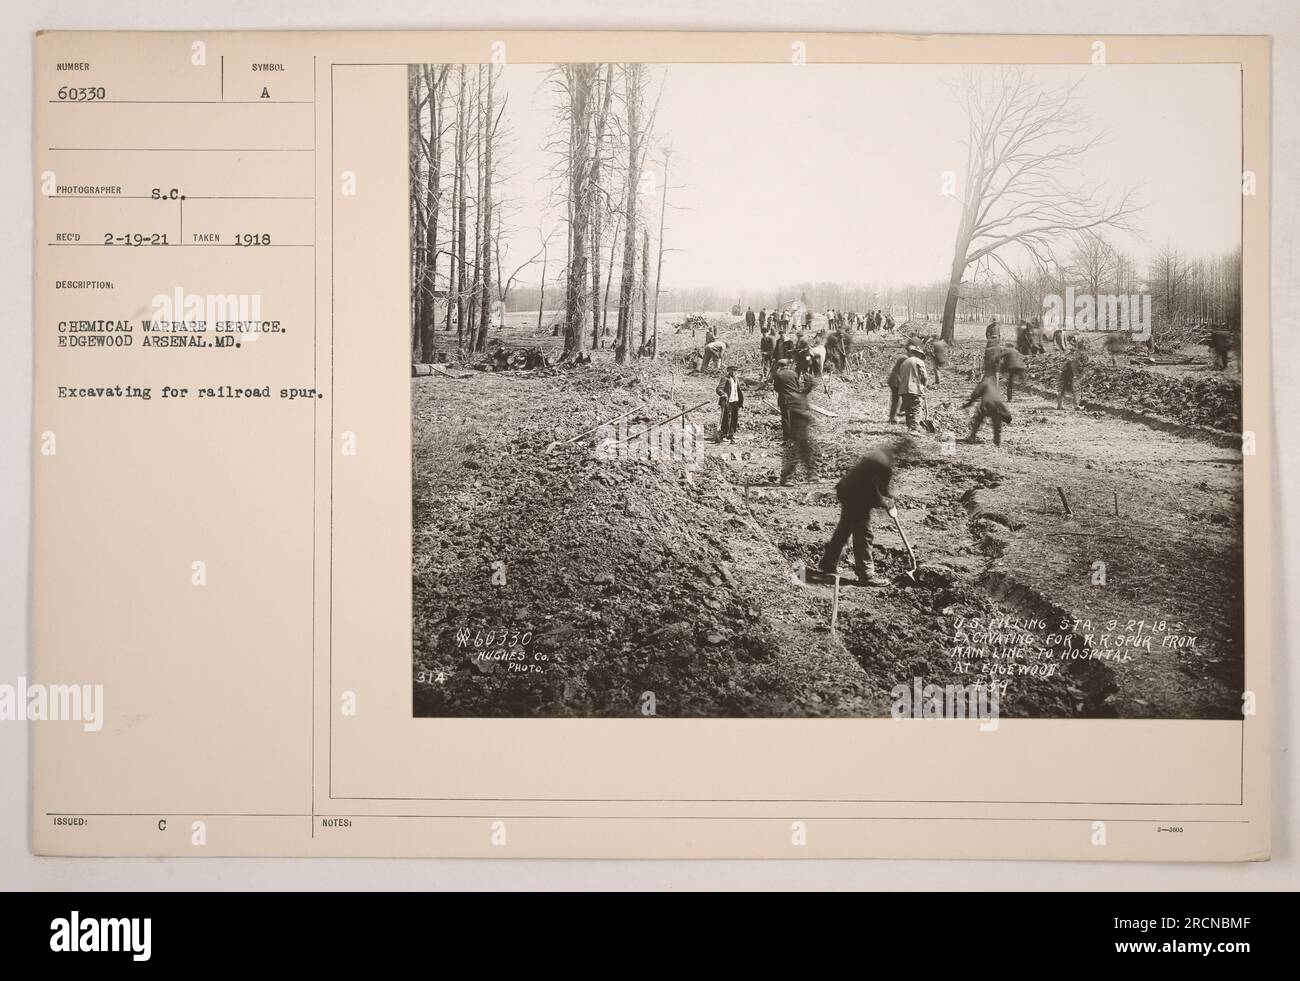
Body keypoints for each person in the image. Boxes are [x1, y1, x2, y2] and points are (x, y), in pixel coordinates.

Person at [817, 438, 909, 585]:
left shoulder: (884, 460)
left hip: (848, 491)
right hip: (855, 496)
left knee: (844, 529)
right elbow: (869, 487)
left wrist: (888, 499)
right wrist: (882, 501)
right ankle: (866, 575)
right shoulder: (880, 461)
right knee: (864, 533)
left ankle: (829, 562)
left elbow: (881, 486)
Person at [963, 375, 1012, 447]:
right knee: (997, 424)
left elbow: (975, 394)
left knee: (978, 420)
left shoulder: (983, 384)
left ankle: (972, 436)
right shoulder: (994, 386)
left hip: (986, 405)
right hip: (996, 405)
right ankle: (997, 441)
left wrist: (968, 404)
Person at [773, 358, 808, 442]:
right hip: (795, 397)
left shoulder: (778, 375)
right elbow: (798, 386)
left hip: (784, 399)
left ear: (779, 366)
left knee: (785, 418)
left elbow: (776, 388)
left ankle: (787, 437)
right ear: (787, 365)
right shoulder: (794, 373)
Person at [895, 343, 929, 430]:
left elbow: (901, 375)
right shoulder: (919, 361)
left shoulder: (904, 362)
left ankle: (909, 427)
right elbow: (924, 376)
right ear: (919, 354)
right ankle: (914, 429)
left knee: (908, 409)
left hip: (903, 389)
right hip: (915, 389)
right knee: (916, 408)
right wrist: (925, 385)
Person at [715, 365, 744, 442]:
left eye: (736, 370)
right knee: (727, 418)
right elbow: (718, 389)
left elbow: (738, 390)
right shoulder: (725, 379)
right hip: (727, 401)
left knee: (734, 418)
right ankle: (724, 434)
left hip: (735, 401)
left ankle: (731, 434)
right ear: (729, 370)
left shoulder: (736, 379)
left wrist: (740, 401)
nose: (734, 372)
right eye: (733, 370)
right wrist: (723, 394)